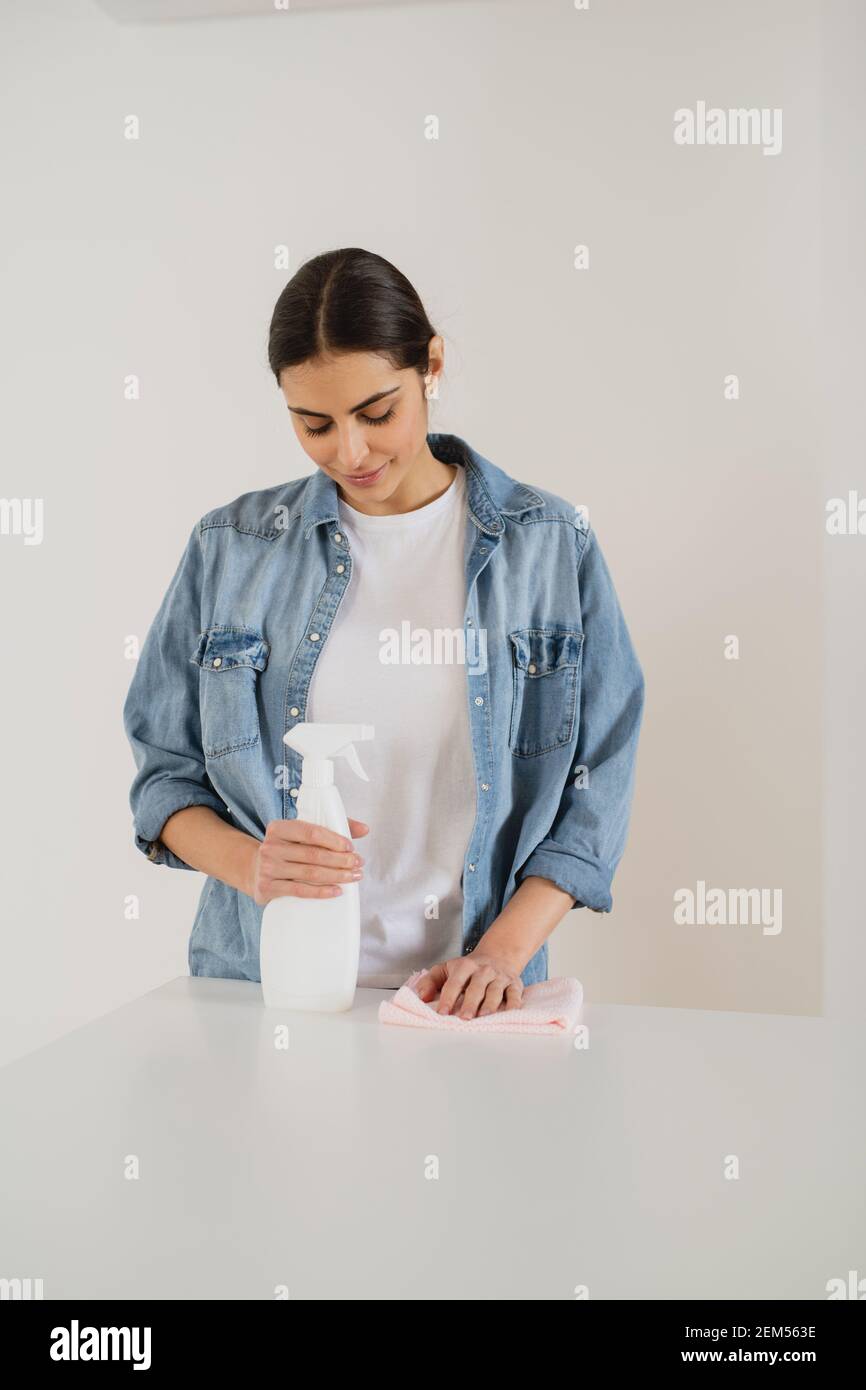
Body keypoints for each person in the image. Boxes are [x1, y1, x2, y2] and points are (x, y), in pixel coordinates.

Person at [123, 247, 645, 1020]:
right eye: (315, 424)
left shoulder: (550, 547)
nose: (351, 452)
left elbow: (598, 782)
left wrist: (501, 953)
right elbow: (165, 776)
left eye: (377, 413)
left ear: (431, 365)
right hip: (261, 994)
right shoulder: (230, 549)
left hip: (468, 1004)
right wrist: (254, 863)